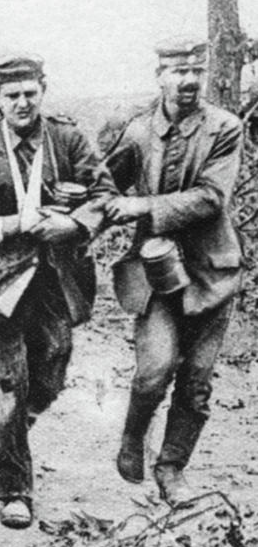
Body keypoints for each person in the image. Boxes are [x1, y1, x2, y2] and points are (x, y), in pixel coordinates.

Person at [0, 55, 114, 528]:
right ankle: (15, 491)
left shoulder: (68, 138)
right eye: (11, 96)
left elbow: (105, 196)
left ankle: (18, 421)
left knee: (53, 366)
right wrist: (11, 225)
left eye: (29, 94)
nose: (21, 103)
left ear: (43, 91)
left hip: (58, 279)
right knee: (4, 386)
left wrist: (75, 222)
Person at [104, 39, 243, 507]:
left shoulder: (225, 128)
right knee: (153, 371)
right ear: (158, 74)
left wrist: (142, 205)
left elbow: (210, 198)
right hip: (157, 273)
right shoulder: (139, 131)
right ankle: (132, 435)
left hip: (212, 273)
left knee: (197, 383)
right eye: (177, 71)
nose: (188, 80)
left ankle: (171, 468)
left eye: (195, 71)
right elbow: (106, 187)